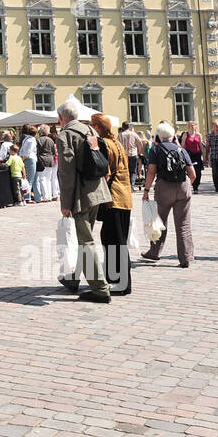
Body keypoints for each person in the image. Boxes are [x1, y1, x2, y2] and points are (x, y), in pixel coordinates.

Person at [56, 99, 112, 301]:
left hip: (81, 195)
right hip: (97, 191)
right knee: (83, 238)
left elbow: (67, 173)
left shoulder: (66, 135)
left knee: (85, 241)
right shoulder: (90, 131)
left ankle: (100, 289)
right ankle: (72, 279)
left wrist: (65, 204)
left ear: (61, 118)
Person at [141, 122, 196, 267]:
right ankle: (186, 258)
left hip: (164, 187)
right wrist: (186, 185)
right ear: (172, 136)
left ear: (158, 136)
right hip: (183, 187)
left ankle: (155, 252)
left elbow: (151, 171)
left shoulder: (156, 149)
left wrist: (146, 191)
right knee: (183, 224)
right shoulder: (181, 150)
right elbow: (193, 174)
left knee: (160, 222)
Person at [90, 114, 132, 296]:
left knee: (113, 241)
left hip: (114, 197)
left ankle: (121, 282)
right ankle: (116, 279)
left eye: (92, 126)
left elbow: (104, 171)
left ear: (98, 127)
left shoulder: (105, 144)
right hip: (124, 197)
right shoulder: (118, 143)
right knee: (115, 239)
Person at [179, 122, 204, 193]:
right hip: (189, 155)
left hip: (197, 155)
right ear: (188, 126)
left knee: (198, 171)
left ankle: (196, 186)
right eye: (191, 125)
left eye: (194, 125)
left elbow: (201, 146)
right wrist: (182, 155)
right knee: (189, 170)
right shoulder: (185, 134)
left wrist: (204, 155)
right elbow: (183, 145)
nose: (192, 127)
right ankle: (190, 184)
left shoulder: (198, 135)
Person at [118, 121, 142, 191]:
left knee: (125, 170)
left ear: (122, 127)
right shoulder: (133, 134)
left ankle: (126, 186)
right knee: (133, 171)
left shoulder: (120, 135)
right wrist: (138, 152)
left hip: (124, 155)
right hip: (133, 154)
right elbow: (140, 143)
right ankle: (131, 186)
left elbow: (117, 145)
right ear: (129, 127)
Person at [37, 124, 59, 202]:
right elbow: (53, 151)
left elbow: (37, 150)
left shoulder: (39, 140)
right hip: (50, 160)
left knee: (42, 178)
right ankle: (49, 196)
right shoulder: (51, 140)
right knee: (48, 179)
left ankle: (45, 196)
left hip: (42, 160)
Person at [18, 123, 40, 202]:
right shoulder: (32, 140)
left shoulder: (26, 139)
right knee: (30, 180)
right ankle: (27, 198)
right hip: (30, 160)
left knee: (34, 179)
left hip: (28, 159)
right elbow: (28, 152)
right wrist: (23, 160)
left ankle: (38, 198)